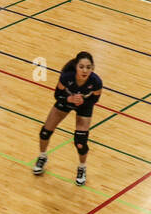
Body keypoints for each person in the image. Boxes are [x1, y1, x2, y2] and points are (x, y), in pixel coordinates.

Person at [32, 51, 103, 187]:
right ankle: (42, 157)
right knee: (45, 132)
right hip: (66, 101)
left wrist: (82, 101)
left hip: (84, 106)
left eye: (88, 67)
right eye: (81, 67)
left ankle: (82, 167)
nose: (84, 70)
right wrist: (69, 98)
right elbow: (57, 94)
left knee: (80, 142)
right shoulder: (67, 77)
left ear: (92, 68)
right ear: (76, 67)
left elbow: (95, 98)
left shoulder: (96, 81)